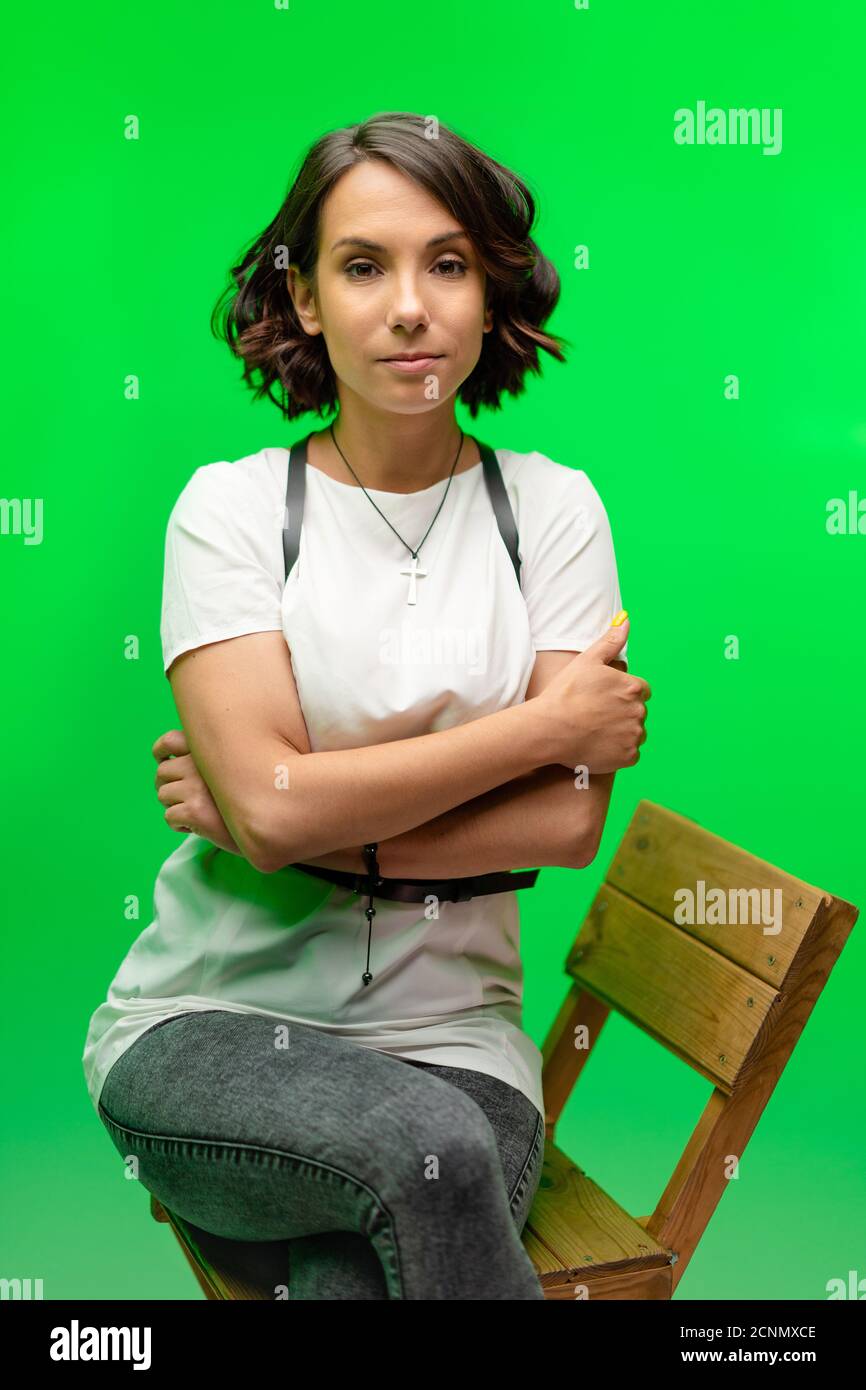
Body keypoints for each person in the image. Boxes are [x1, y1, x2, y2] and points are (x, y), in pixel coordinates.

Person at [82, 111, 650, 1300]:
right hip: (206, 1028)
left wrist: (282, 805)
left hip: (459, 1046)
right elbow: (294, 813)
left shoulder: (551, 513)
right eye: (360, 266)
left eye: (447, 264)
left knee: (370, 1250)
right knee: (416, 1158)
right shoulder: (230, 512)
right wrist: (540, 732)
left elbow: (562, 828)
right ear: (303, 302)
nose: (408, 306)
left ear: (489, 297)